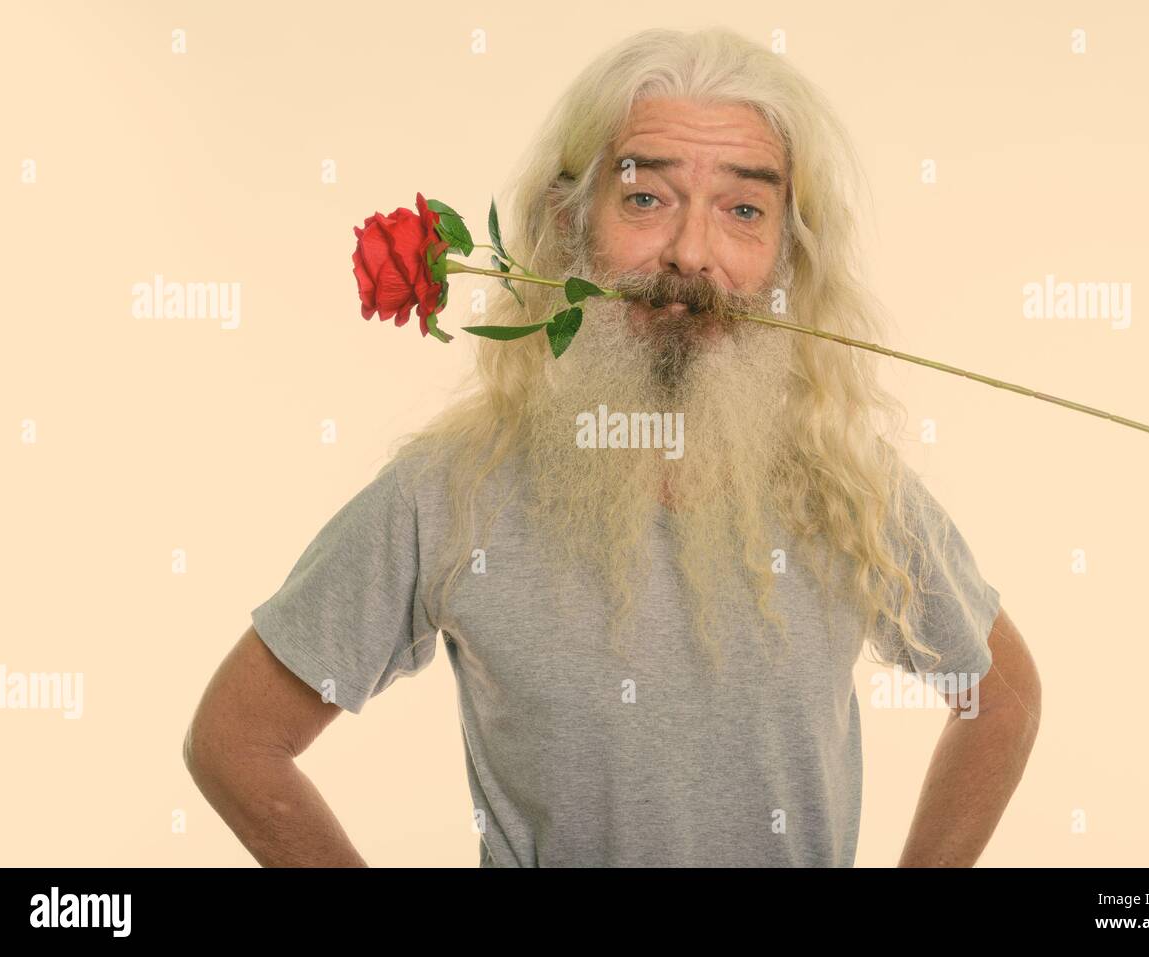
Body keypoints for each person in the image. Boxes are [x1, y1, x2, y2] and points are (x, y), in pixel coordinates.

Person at [183, 26, 1041, 867]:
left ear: (787, 253)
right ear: (570, 223)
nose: (691, 253)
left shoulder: (848, 486)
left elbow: (1002, 699)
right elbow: (235, 742)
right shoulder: (448, 492)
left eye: (744, 210)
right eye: (644, 198)